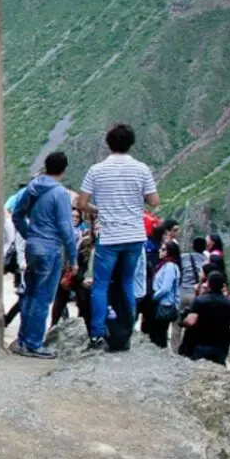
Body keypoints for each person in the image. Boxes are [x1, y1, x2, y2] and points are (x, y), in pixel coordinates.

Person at [76, 123, 160, 352]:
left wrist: (98, 210)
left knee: (101, 285)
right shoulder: (141, 169)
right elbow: (154, 201)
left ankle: (97, 334)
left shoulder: (97, 170)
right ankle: (126, 331)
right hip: (134, 235)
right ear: (131, 143)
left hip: (110, 236)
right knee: (127, 282)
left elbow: (81, 203)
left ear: (108, 143)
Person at [8, 152, 78, 359]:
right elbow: (66, 228)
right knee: (43, 297)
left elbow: (17, 214)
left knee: (29, 294)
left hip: (33, 247)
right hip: (50, 249)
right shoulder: (60, 194)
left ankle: (23, 340)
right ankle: (34, 344)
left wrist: (28, 235)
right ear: (64, 170)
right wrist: (73, 259)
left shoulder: (32, 188)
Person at [180, 271, 230, 365]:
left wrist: (182, 320)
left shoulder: (199, 300)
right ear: (223, 286)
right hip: (221, 347)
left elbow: (190, 322)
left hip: (200, 344)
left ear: (208, 284)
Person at [174, 237, 209, 353]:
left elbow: (178, 273)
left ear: (192, 245)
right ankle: (188, 350)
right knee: (194, 324)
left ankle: (175, 351)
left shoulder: (184, 257)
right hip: (197, 295)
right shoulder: (207, 260)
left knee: (177, 323)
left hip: (182, 292)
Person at [144, 240, 181, 348]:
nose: (160, 251)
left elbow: (166, 288)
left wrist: (152, 297)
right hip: (161, 302)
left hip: (164, 303)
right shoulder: (163, 265)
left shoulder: (169, 266)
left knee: (159, 333)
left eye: (164, 249)